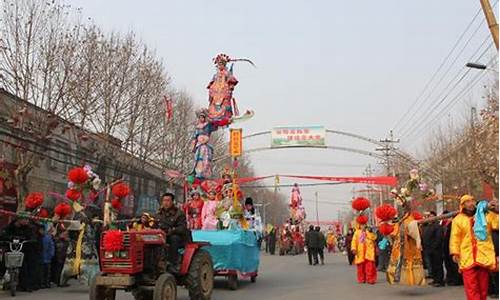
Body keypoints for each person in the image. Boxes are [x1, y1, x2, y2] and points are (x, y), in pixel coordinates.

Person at [450, 195, 498, 300]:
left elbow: (497, 224)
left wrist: (497, 211)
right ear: (463, 205)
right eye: (467, 202)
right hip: (467, 257)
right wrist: (455, 252)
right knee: (471, 288)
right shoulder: (458, 220)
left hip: (483, 255)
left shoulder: (486, 215)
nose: (471, 203)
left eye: (472, 201)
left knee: (483, 287)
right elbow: (455, 237)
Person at [0, 216, 37, 292]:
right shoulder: (9, 227)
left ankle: (25, 285)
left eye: (27, 219)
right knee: (3, 264)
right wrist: (9, 239)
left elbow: (32, 237)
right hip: (9, 249)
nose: (27, 221)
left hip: (22, 250)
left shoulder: (28, 228)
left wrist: (29, 240)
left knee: (24, 267)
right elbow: (3, 235)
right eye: (25, 219)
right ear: (19, 219)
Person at [157, 192, 190, 273]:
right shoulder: (159, 213)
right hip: (162, 235)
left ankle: (173, 263)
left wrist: (171, 230)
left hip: (178, 237)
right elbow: (154, 223)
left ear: (172, 202)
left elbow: (182, 228)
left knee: (173, 239)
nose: (165, 203)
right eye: (164, 200)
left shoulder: (179, 213)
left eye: (168, 200)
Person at [442, 210, 462, 286]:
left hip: (453, 247)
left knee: (454, 265)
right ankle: (450, 278)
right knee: (448, 264)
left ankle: (456, 280)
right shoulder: (446, 225)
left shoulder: (453, 224)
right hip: (447, 247)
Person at [424, 211, 445, 287]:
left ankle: (440, 281)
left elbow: (439, 238)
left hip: (436, 250)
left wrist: (434, 247)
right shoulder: (427, 226)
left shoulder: (437, 226)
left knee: (438, 265)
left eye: (431, 216)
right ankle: (435, 279)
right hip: (428, 249)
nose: (429, 217)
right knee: (432, 265)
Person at [40, 224, 55, 289]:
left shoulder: (48, 238)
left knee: (47, 272)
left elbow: (51, 246)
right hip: (41, 258)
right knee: (42, 272)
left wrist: (51, 254)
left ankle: (47, 283)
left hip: (48, 258)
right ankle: (42, 283)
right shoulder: (40, 238)